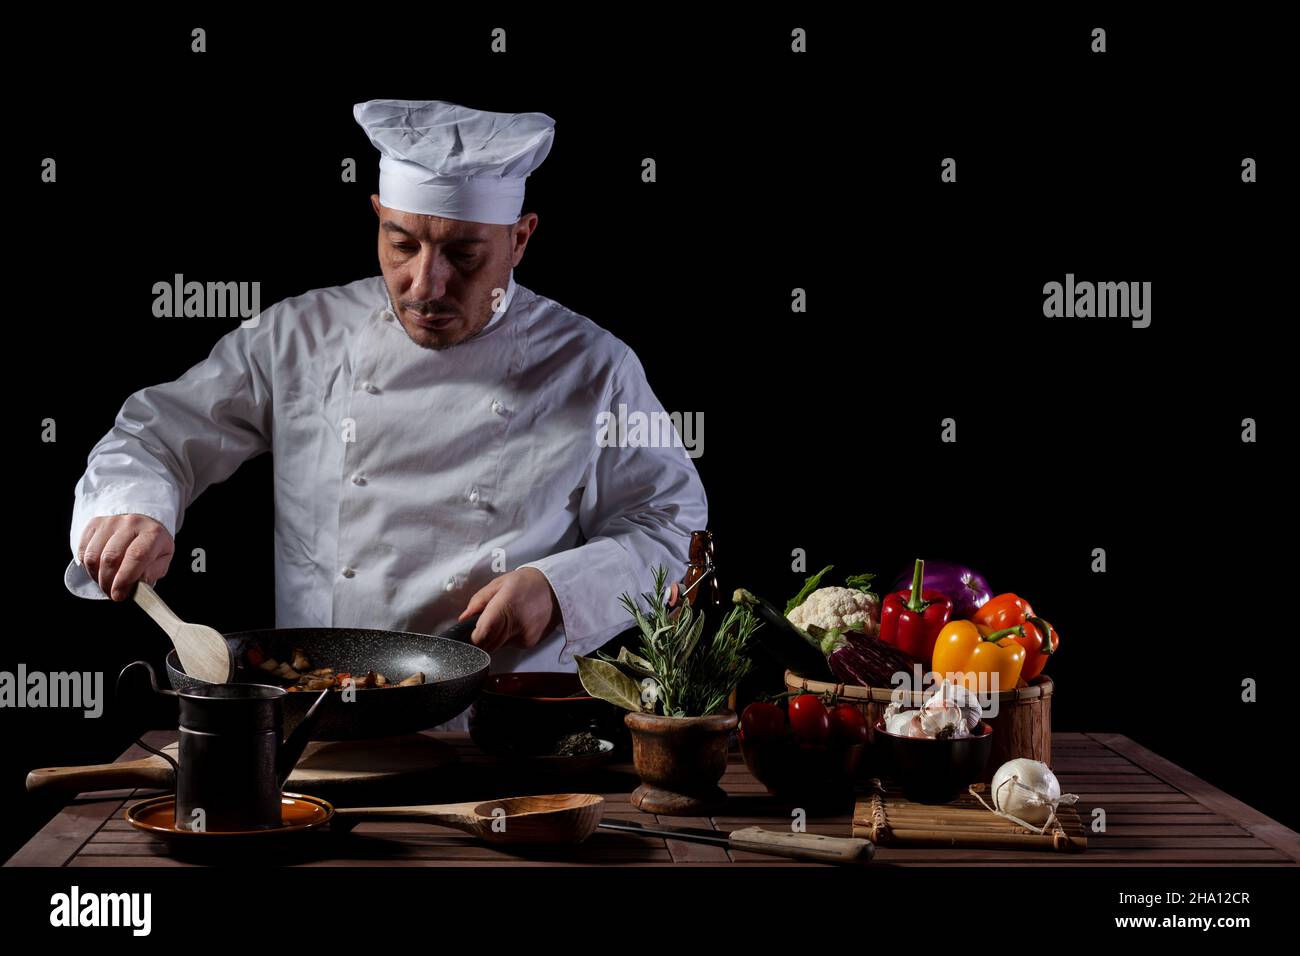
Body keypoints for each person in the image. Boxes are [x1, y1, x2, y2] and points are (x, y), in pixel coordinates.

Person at [65, 99, 707, 729]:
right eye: (402, 244)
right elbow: (159, 435)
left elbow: (673, 529)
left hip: (507, 735)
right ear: (376, 216)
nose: (425, 285)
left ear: (519, 239)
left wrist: (560, 586)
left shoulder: (594, 366)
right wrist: (134, 505)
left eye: (463, 255)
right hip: (311, 725)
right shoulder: (301, 338)